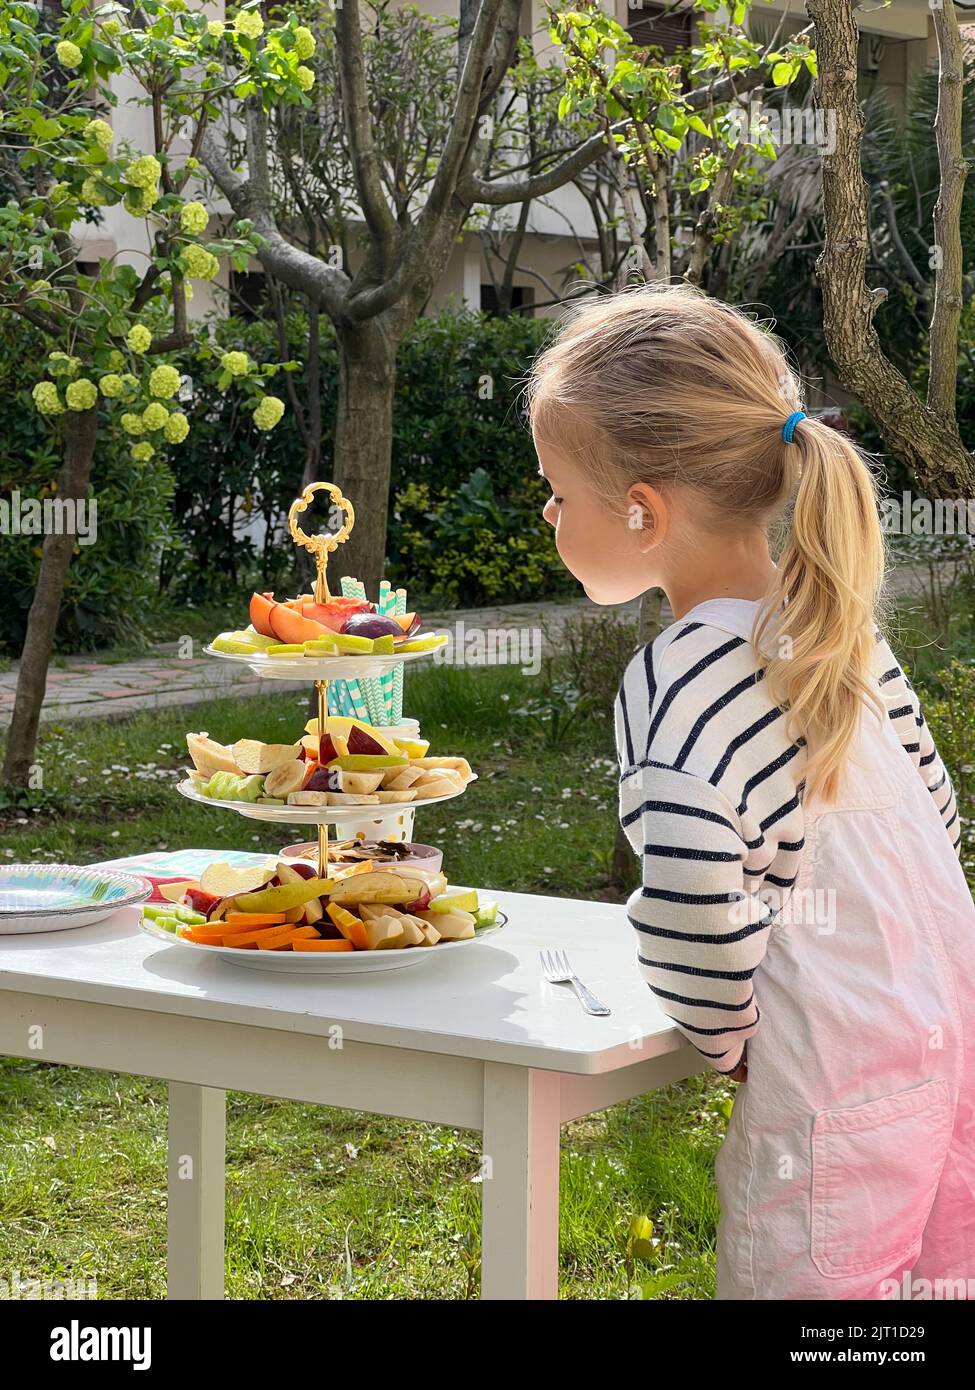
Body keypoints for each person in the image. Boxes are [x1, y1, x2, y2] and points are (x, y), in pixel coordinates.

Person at [527, 284, 975, 1300]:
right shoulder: (843, 632)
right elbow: (937, 820)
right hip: (952, 1047)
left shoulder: (678, 675)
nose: (550, 513)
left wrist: (723, 1038)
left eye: (557, 491)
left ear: (642, 513)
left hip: (831, 1096)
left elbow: (694, 907)